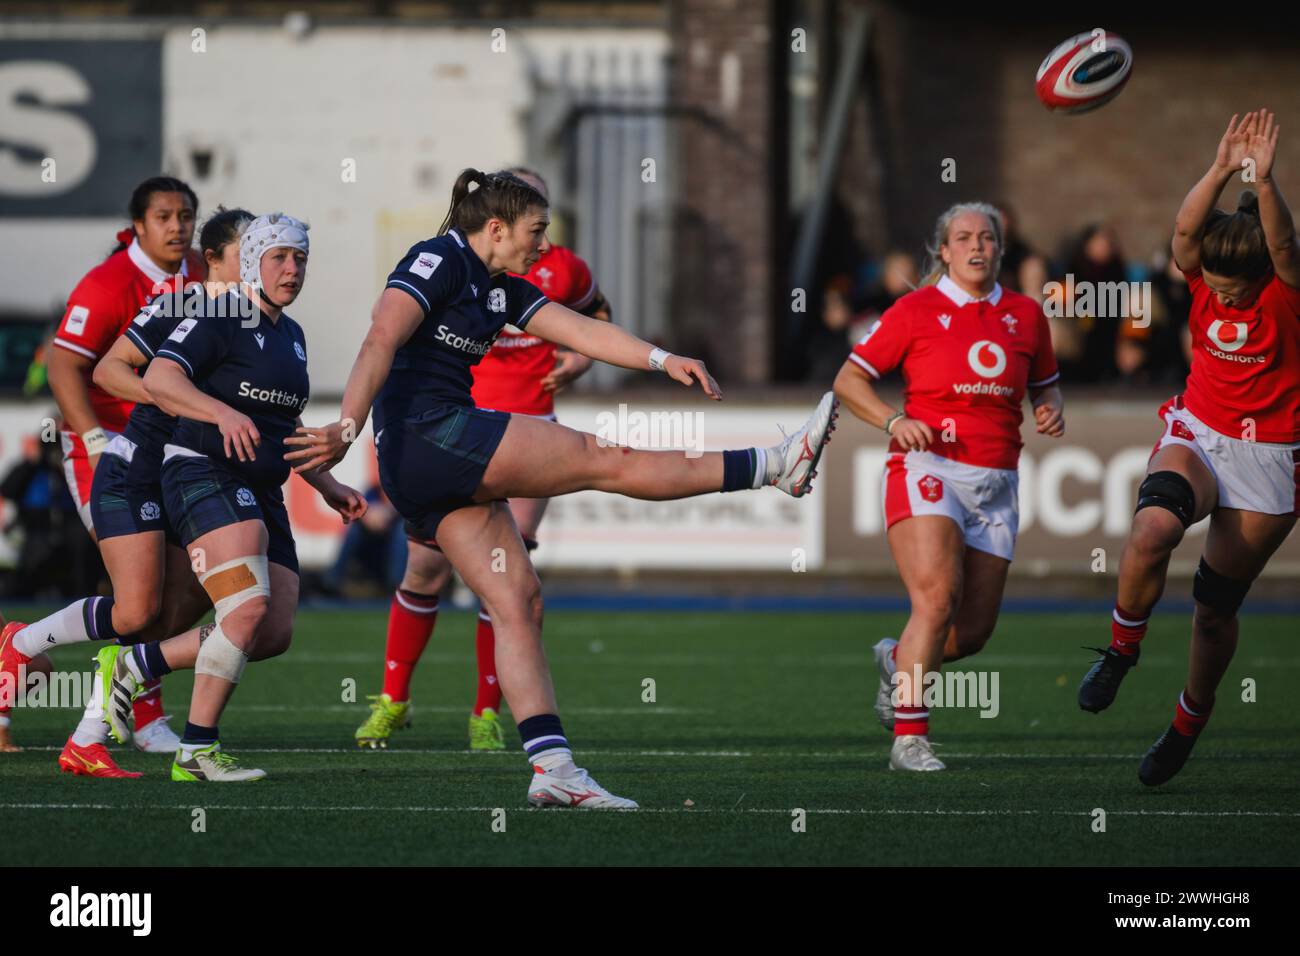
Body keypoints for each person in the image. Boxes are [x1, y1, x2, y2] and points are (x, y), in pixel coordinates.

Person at [286, 169, 837, 808]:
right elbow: (380, 336)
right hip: (429, 436)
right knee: (607, 460)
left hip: (432, 461)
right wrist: (346, 427)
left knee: (517, 599)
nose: (545, 245)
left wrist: (664, 360)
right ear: (496, 228)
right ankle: (775, 464)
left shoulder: (501, 287)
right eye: (537, 230)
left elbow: (585, 333)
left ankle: (553, 771)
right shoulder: (438, 258)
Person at [354, 167, 613, 752]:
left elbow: (596, 316)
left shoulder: (562, 268)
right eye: (529, 218)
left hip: (532, 429)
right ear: (499, 219)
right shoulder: (459, 265)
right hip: (458, 429)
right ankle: (393, 699)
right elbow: (388, 329)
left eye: (541, 216)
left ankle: (485, 714)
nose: (538, 234)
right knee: (425, 570)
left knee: (509, 576)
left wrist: (581, 360)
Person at [1076, 111, 1300, 786]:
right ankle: (1121, 649)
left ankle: (1187, 721)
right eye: (1214, 284)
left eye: (1234, 288)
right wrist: (1222, 167)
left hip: (1271, 458)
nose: (1220, 296)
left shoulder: (1287, 295)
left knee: (1212, 611)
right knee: (1152, 529)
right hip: (1200, 431)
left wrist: (1265, 182)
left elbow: (1284, 243)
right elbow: (1182, 232)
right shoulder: (1201, 277)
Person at [112, 212, 366, 782]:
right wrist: (220, 413)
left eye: (300, 258)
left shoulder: (292, 335)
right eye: (279, 257)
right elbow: (159, 379)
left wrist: (327, 484)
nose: (292, 269)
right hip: (204, 470)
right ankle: (197, 752)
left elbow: (281, 424)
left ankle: (141, 661)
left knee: (270, 632)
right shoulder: (218, 314)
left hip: (263, 487)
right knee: (245, 609)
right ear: (251, 261)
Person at [0, 209, 253, 776]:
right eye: (255, 253)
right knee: (142, 607)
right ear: (212, 260)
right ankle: (28, 648)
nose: (274, 266)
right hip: (135, 467)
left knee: (199, 603)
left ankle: (108, 726)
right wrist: (181, 402)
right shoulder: (180, 304)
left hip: (197, 473)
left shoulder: (266, 322)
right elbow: (103, 371)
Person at [832, 202, 1064, 772]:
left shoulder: (1025, 315)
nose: (976, 246)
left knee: (973, 633)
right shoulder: (915, 310)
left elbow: (1046, 385)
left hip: (998, 478)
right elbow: (848, 380)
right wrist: (893, 421)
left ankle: (897, 660)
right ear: (944, 250)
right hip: (928, 467)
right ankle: (910, 740)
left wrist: (1049, 407)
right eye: (963, 238)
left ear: (1000, 249)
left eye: (986, 237)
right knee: (936, 599)